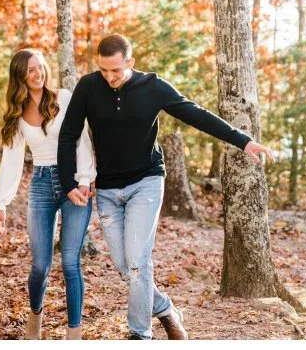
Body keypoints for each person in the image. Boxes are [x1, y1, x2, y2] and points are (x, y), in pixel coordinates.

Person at [57, 34, 276, 340]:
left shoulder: (153, 87)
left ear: (130, 62)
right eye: (104, 70)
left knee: (137, 262)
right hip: (106, 189)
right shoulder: (88, 87)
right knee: (125, 267)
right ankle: (165, 309)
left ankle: (140, 334)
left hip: (145, 183)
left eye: (116, 71)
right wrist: (69, 183)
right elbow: (68, 134)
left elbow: (195, 113)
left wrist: (243, 141)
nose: (109, 77)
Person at [0, 49, 96, 339]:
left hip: (74, 182)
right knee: (40, 266)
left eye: (41, 67)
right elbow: (10, 159)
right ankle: (35, 315)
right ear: (20, 77)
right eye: (31, 70)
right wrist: (2, 202)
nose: (39, 74)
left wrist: (86, 179)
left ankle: (74, 334)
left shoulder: (63, 97)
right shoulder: (17, 114)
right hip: (40, 184)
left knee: (70, 263)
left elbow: (82, 140)